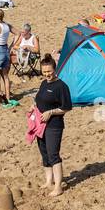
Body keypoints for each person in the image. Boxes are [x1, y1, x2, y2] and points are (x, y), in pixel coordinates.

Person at [32, 54, 72, 197]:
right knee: (45, 153)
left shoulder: (61, 86)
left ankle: (58, 187)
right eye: (44, 72)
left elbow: (66, 107)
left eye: (49, 71)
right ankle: (49, 181)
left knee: (53, 155)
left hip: (54, 125)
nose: (47, 74)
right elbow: (39, 100)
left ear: (55, 69)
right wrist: (33, 107)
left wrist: (51, 112)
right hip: (40, 124)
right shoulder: (44, 83)